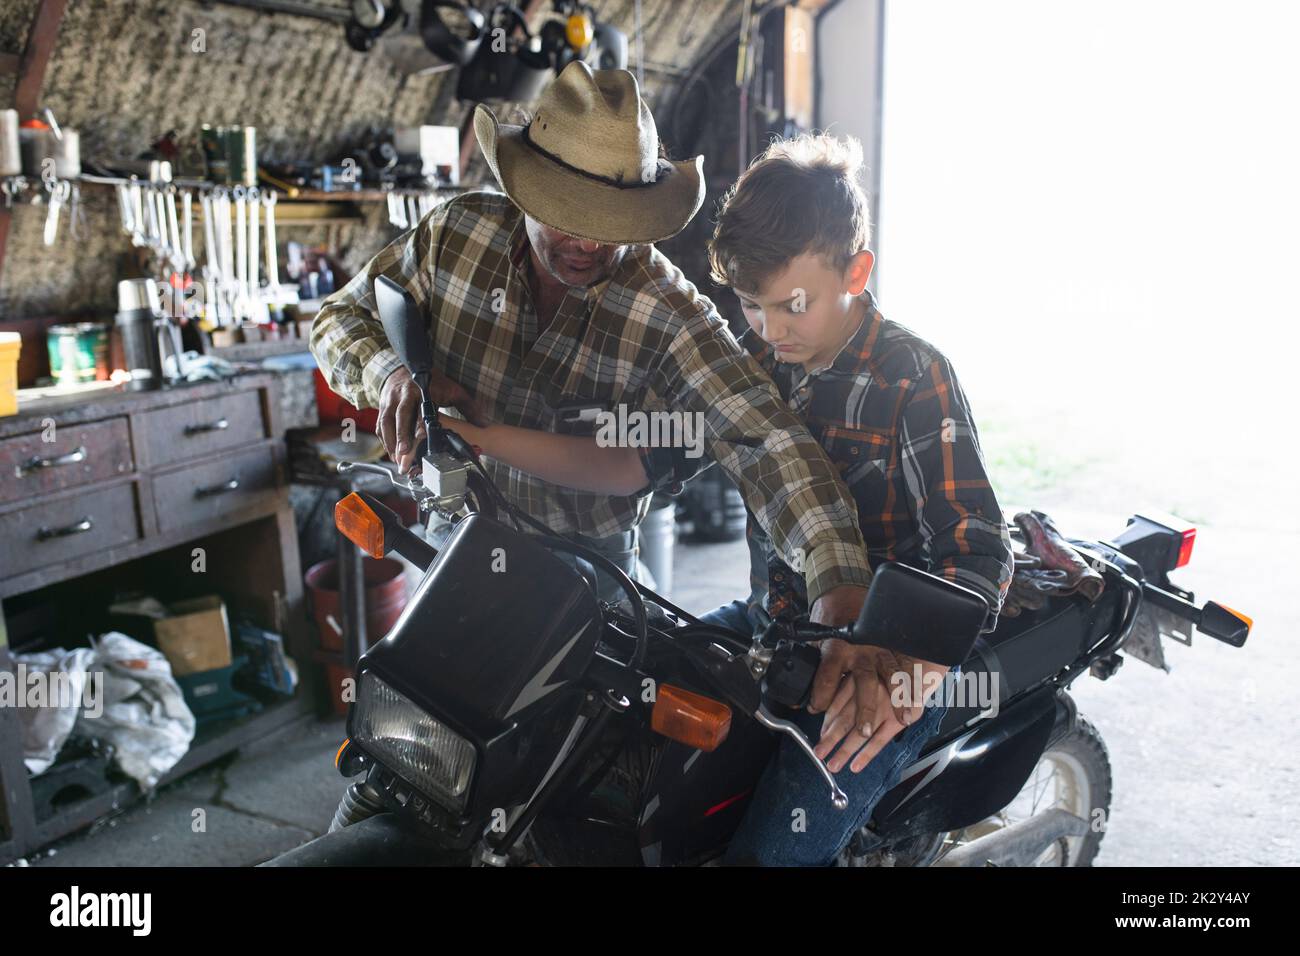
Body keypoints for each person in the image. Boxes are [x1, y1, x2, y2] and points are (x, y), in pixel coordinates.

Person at [425, 132, 1015, 866]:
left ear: (856, 271)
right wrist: (482, 437)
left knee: (769, 853)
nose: (770, 330)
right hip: (773, 627)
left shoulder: (913, 377)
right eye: (750, 305)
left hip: (889, 667)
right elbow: (635, 459)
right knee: (614, 723)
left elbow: (979, 550)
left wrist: (910, 672)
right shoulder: (752, 364)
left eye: (791, 306)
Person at [310, 62, 874, 661]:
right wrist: (388, 374)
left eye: (611, 225)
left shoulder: (667, 311)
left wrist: (838, 582)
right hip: (452, 545)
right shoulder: (454, 236)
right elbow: (340, 320)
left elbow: (764, 437)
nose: (588, 245)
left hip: (591, 577)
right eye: (569, 217)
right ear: (525, 190)